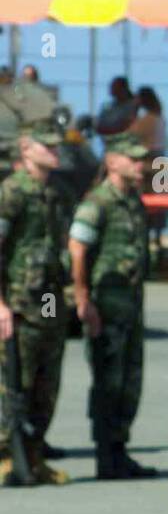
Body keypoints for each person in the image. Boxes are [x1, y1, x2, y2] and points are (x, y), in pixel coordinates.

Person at [68, 132, 158, 479]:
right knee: (108, 382)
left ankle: (120, 449)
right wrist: (82, 300)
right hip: (105, 308)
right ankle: (106, 454)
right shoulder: (98, 203)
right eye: (133, 159)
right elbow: (77, 250)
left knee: (129, 381)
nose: (140, 165)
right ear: (112, 162)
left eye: (141, 158)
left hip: (131, 308)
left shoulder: (133, 200)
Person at [0, 119, 72, 486]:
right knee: (16, 382)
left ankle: (33, 454)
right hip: (17, 302)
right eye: (47, 146)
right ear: (26, 149)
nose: (55, 151)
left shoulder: (54, 194)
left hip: (47, 300)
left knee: (46, 381)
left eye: (57, 146)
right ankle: (7, 459)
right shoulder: (12, 192)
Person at [128, 86, 166, 156]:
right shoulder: (159, 117)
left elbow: (131, 133)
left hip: (148, 154)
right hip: (159, 153)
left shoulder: (148, 119)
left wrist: (134, 109)